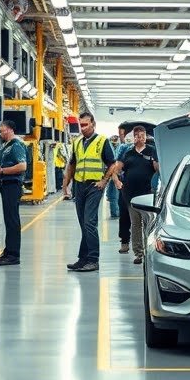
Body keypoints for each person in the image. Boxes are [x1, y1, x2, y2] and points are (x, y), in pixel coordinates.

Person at [62, 112, 117, 273]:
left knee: (89, 222)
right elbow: (72, 164)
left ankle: (93, 259)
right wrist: (66, 185)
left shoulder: (102, 141)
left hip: (94, 186)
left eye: (86, 125)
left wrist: (104, 181)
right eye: (81, 125)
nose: (83, 128)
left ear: (93, 124)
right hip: (79, 186)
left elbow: (112, 164)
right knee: (83, 223)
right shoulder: (77, 142)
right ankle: (83, 259)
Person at [113, 125, 159, 265]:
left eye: (142, 135)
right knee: (135, 224)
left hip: (147, 194)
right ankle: (139, 253)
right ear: (133, 137)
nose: (140, 138)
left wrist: (153, 161)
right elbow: (116, 170)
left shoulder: (152, 151)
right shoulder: (128, 153)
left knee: (149, 224)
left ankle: (150, 251)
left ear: (146, 137)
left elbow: (157, 169)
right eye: (137, 135)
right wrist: (116, 180)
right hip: (130, 194)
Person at [0, 120, 28, 267]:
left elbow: (22, 166)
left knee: (12, 221)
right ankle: (9, 250)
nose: (0, 133)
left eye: (2, 131)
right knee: (8, 220)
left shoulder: (16, 145)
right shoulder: (6, 146)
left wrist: (3, 171)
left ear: (10, 130)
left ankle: (13, 255)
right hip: (6, 185)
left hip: (13, 185)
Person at [114, 127, 134, 252]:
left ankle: (141, 245)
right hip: (126, 187)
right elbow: (116, 167)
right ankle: (125, 241)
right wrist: (116, 179)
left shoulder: (150, 149)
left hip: (145, 189)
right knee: (124, 215)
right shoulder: (124, 149)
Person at [105, 135, 121, 219]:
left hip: (115, 174)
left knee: (114, 195)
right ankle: (115, 212)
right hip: (114, 174)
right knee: (113, 195)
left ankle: (115, 212)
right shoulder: (119, 148)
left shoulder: (116, 149)